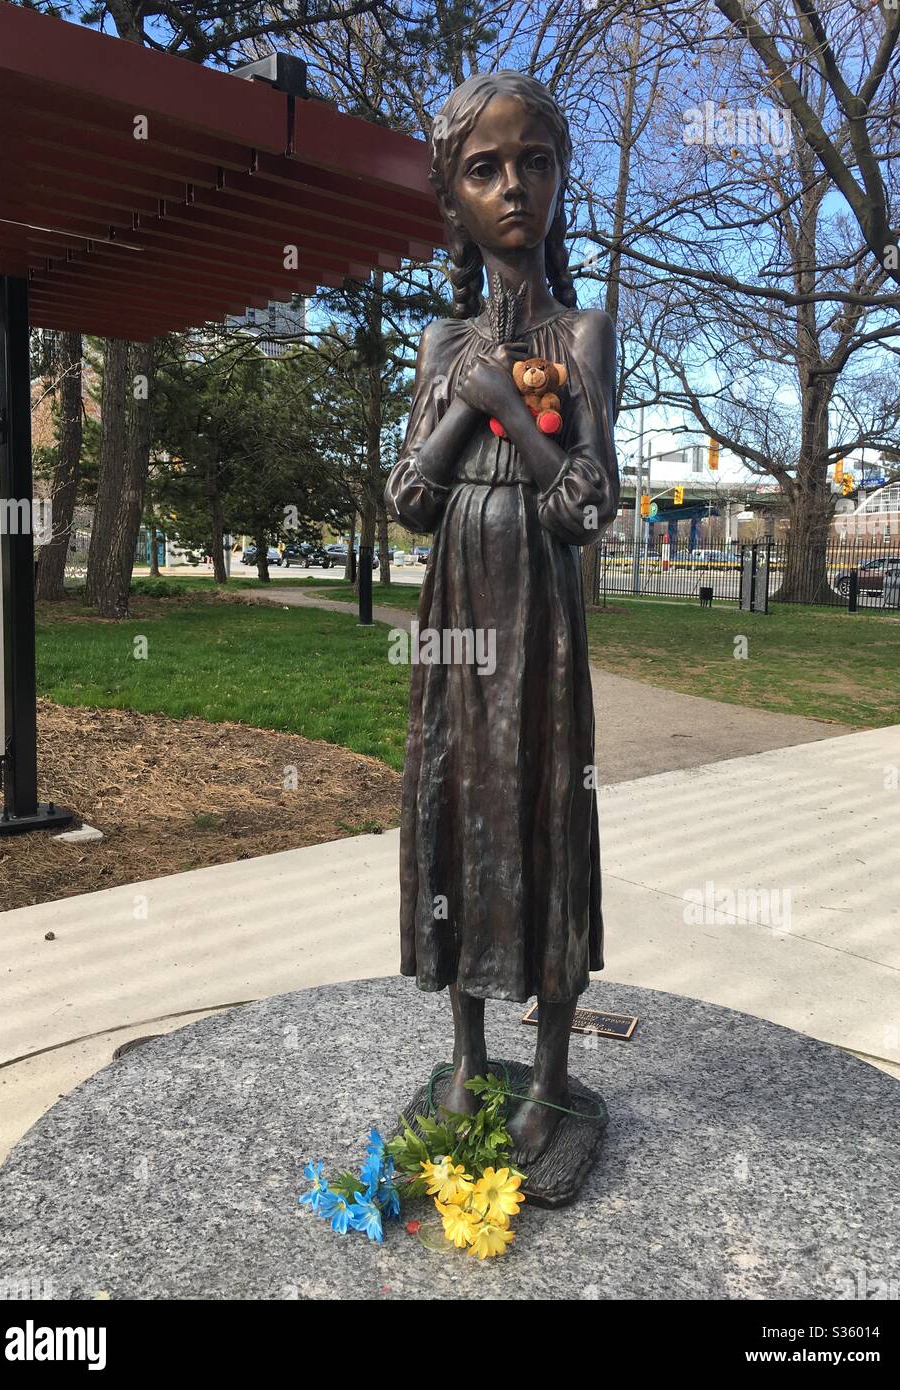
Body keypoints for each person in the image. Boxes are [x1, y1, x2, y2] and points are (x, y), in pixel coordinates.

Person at [385, 71, 619, 1162]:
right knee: (454, 802)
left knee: (540, 810)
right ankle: (471, 1058)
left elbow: (585, 502)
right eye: (485, 168)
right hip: (455, 615)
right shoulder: (440, 343)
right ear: (453, 197)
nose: (514, 186)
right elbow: (408, 506)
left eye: (535, 161)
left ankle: (558, 1074)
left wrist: (511, 418)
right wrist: (458, 406)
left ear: (561, 179)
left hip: (541, 613)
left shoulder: (583, 333)